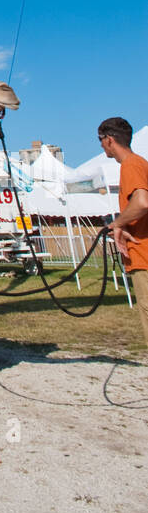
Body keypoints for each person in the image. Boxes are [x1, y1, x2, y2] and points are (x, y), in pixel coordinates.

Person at [98, 117, 148, 350]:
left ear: (109, 140)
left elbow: (142, 202)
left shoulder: (131, 165)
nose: (101, 146)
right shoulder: (139, 163)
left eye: (101, 140)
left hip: (144, 255)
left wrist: (117, 224)